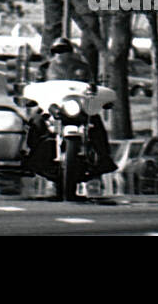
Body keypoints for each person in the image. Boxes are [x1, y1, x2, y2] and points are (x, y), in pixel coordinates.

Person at [25, 37, 115, 191]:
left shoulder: (83, 68)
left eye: (64, 50)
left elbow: (92, 87)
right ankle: (30, 154)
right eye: (57, 51)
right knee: (36, 120)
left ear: (71, 52)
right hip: (52, 107)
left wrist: (101, 95)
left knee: (96, 122)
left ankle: (103, 158)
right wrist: (31, 96)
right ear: (52, 53)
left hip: (77, 107)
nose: (61, 54)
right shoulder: (45, 68)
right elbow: (37, 86)